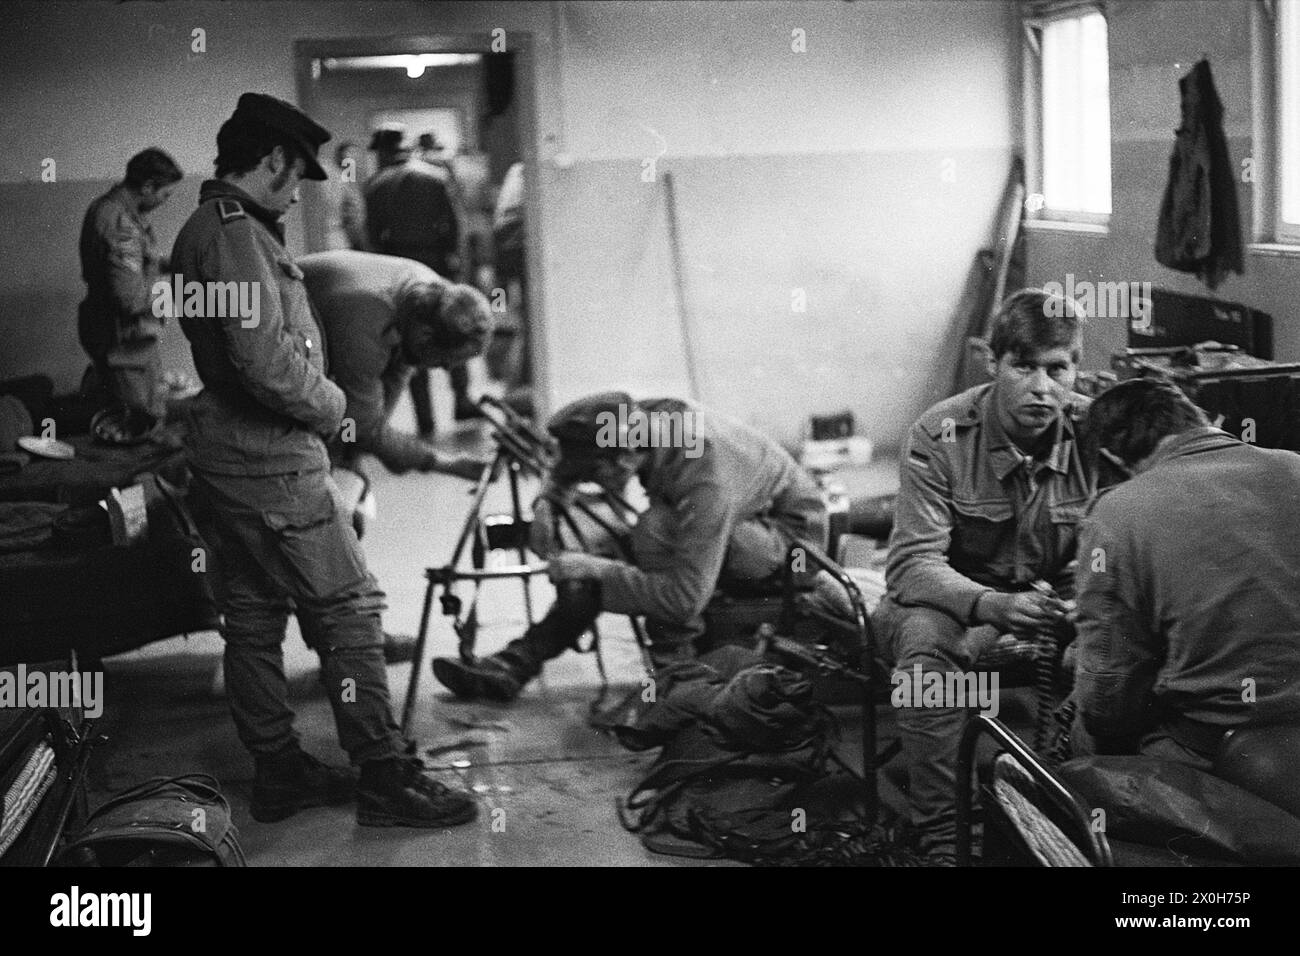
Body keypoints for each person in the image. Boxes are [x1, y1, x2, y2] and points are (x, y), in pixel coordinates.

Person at [170, 92, 477, 829]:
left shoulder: (215, 230)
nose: (296, 187)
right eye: (294, 172)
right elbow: (264, 361)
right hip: (268, 456)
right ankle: (384, 775)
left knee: (251, 611)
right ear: (273, 159)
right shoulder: (234, 235)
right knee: (349, 607)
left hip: (234, 454)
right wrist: (336, 409)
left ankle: (279, 771)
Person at [873, 288, 1091, 863]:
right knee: (925, 658)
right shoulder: (939, 433)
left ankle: (1084, 821)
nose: (1043, 389)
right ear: (992, 363)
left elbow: (1120, 548)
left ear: (1075, 370)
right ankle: (949, 839)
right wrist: (994, 606)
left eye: (1057, 368)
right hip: (955, 600)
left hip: (1055, 596)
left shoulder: (1097, 432)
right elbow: (913, 565)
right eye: (1023, 367)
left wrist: (1090, 600)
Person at [432, 391, 828, 702]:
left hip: (787, 544)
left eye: (594, 477)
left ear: (622, 462)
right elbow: (568, 464)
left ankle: (677, 671)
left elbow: (684, 597)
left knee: (649, 535)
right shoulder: (642, 420)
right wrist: (548, 502)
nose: (592, 485)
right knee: (615, 547)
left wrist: (598, 570)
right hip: (738, 514)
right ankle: (515, 664)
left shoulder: (705, 481)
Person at [1071, 377, 1300, 769]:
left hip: (1214, 747)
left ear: (1111, 459)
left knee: (1079, 721)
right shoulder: (1294, 466)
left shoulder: (1118, 512)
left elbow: (1107, 707)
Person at [298, 249, 491, 479]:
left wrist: (355, 450)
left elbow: (383, 397)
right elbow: (363, 425)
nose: (445, 369)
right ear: (426, 336)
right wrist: (445, 464)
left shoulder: (428, 298)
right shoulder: (368, 322)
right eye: (442, 362)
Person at [364, 124, 476, 432]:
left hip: (401, 269)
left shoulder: (376, 185)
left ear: (385, 151)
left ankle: (425, 418)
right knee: (455, 326)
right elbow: (456, 228)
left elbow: (373, 237)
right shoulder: (436, 176)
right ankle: (462, 400)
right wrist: (458, 268)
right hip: (439, 263)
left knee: (414, 338)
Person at [77, 148, 183, 433]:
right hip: (123, 341)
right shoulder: (120, 223)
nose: (164, 202)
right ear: (148, 187)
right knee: (142, 425)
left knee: (140, 414)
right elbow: (129, 297)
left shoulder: (114, 210)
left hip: (126, 340)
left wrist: (172, 263)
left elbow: (135, 266)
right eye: (164, 195)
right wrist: (183, 294)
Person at [322, 141, 367, 251]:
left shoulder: (327, 173)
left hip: (323, 238)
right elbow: (354, 218)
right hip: (337, 239)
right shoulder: (343, 180)